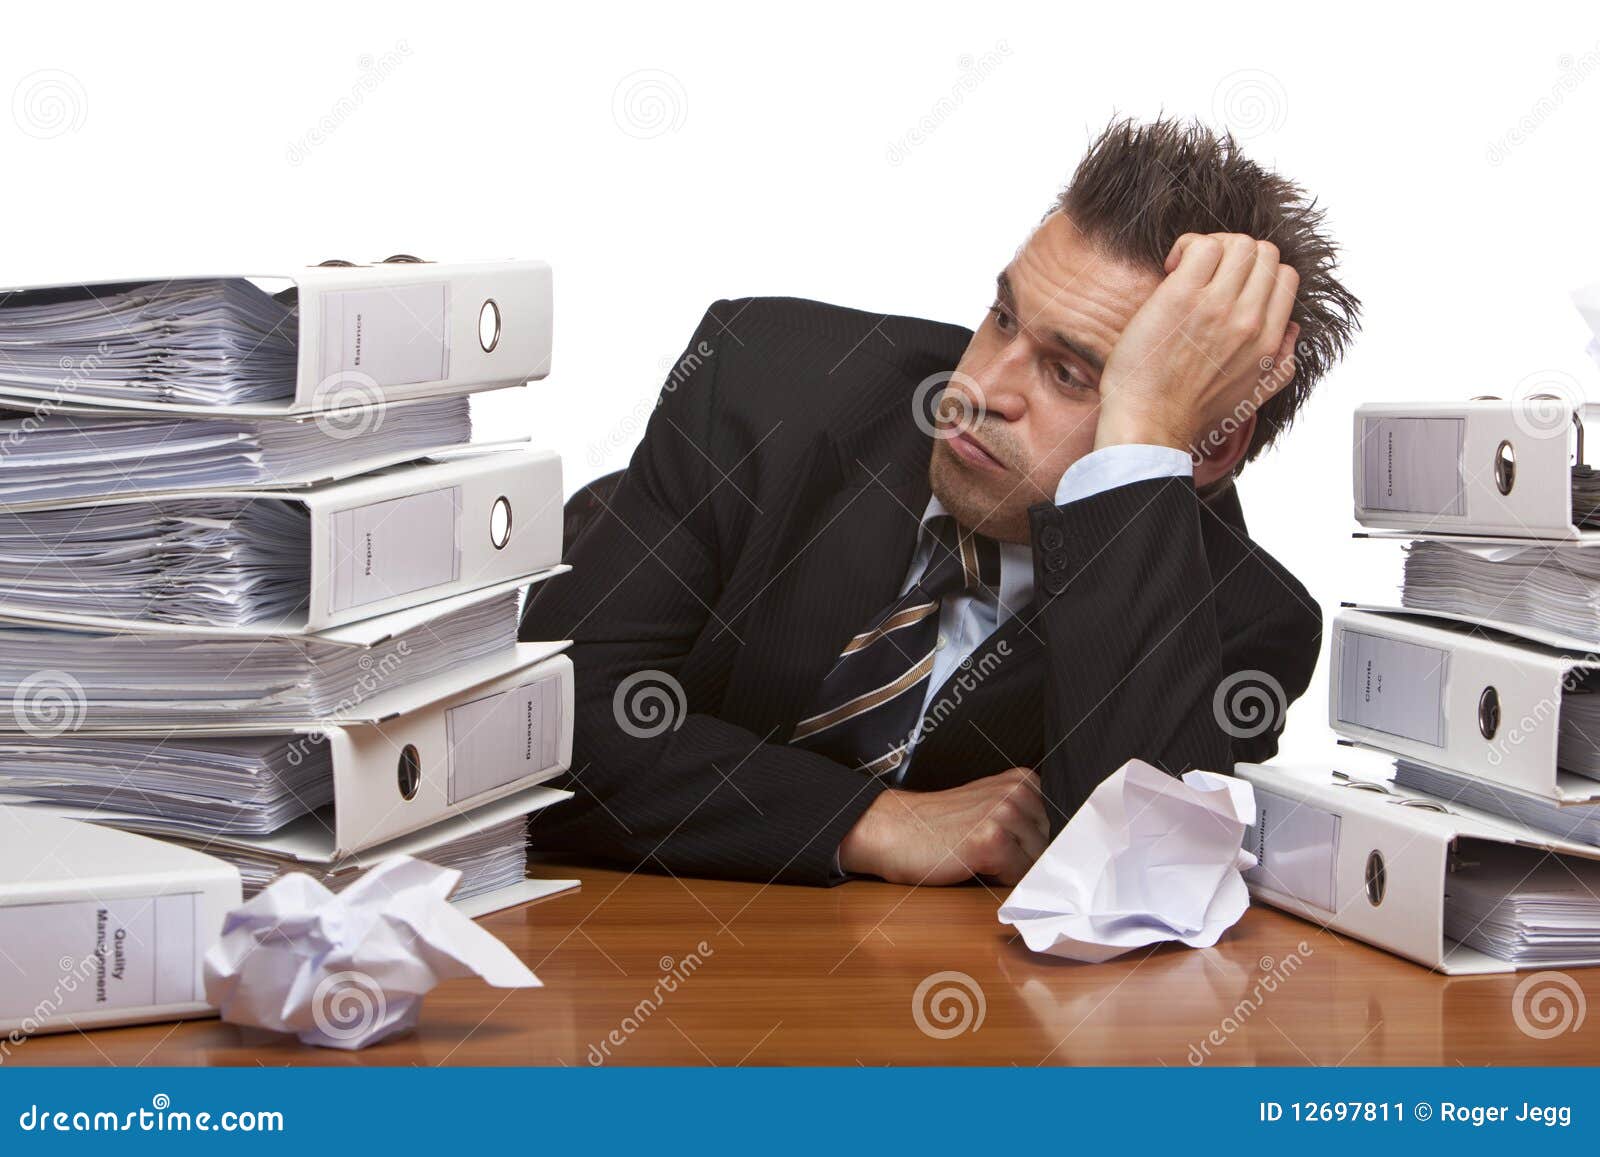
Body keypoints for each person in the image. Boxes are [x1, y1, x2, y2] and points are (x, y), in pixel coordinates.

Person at [522, 117, 1360, 887]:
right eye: (1002, 318)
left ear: (1202, 442)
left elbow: (1151, 885)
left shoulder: (1247, 623)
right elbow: (544, 733)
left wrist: (1140, 452)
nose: (978, 388)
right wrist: (869, 822)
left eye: (1072, 373)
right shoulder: (766, 384)